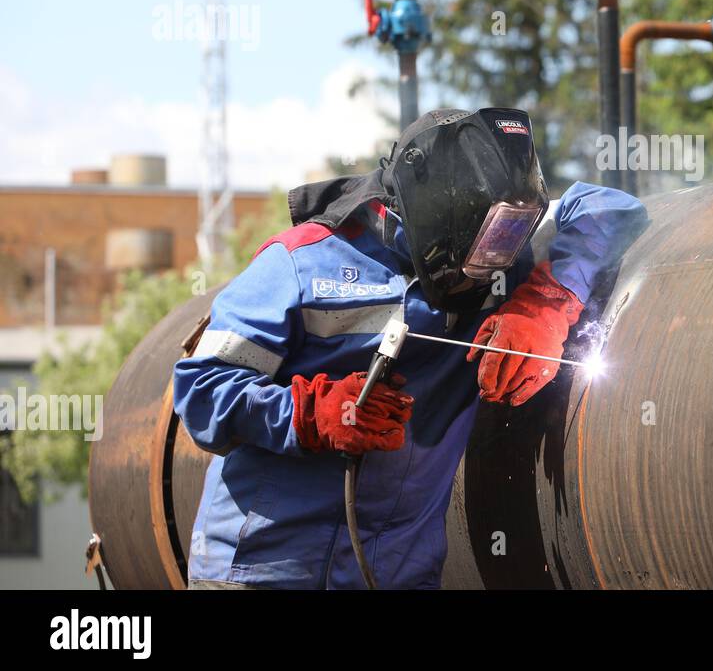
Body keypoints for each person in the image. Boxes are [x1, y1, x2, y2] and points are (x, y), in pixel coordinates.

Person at [173, 107, 647, 589]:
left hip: (395, 573)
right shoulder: (302, 262)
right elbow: (200, 391)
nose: (487, 263)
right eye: (480, 239)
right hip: (265, 570)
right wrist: (308, 414)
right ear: (434, 209)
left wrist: (546, 301)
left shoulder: (498, 250)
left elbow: (608, 208)